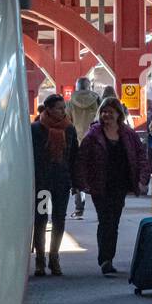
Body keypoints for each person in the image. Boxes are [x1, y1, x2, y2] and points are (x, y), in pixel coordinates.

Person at [76, 96, 148, 275]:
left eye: (110, 112)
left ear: (118, 114)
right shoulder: (93, 134)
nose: (106, 115)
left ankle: (108, 258)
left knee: (113, 221)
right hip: (100, 184)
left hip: (120, 184)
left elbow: (141, 156)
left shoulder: (128, 134)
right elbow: (82, 159)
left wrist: (143, 179)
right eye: (104, 111)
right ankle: (105, 259)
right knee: (105, 220)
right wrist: (82, 183)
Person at [31, 92, 78, 276]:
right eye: (59, 108)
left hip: (61, 182)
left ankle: (54, 258)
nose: (63, 111)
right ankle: (40, 260)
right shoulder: (35, 129)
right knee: (41, 219)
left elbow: (74, 156)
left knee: (59, 219)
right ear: (48, 109)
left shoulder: (69, 129)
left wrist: (75, 181)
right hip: (43, 182)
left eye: (63, 108)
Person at [67, 77, 100, 216]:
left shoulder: (70, 103)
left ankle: (79, 208)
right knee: (97, 174)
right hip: (94, 141)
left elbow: (68, 122)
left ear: (77, 87)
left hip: (77, 142)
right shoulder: (97, 100)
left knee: (78, 174)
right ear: (89, 86)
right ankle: (100, 209)